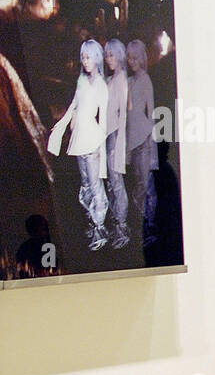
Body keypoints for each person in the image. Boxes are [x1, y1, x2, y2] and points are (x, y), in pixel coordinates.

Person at [47, 39, 109, 251]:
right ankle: (92, 223)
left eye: (88, 56)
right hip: (79, 139)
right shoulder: (81, 81)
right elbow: (73, 106)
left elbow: (104, 121)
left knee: (94, 184)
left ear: (97, 58)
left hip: (92, 139)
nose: (84, 61)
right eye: (83, 57)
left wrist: (102, 149)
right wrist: (61, 126)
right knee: (85, 183)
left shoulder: (101, 85)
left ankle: (99, 228)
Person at [124, 39, 158, 246]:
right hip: (132, 141)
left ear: (142, 58)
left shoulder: (145, 80)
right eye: (129, 57)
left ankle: (149, 228)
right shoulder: (129, 82)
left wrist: (152, 148)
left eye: (135, 57)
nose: (131, 61)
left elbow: (151, 113)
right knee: (137, 185)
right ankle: (142, 228)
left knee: (145, 186)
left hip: (144, 140)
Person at [103, 39, 130, 249]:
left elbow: (123, 114)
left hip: (115, 135)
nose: (108, 59)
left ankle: (122, 228)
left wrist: (119, 143)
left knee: (117, 184)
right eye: (106, 55)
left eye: (112, 54)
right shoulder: (113, 79)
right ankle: (117, 226)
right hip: (108, 134)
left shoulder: (121, 80)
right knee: (112, 183)